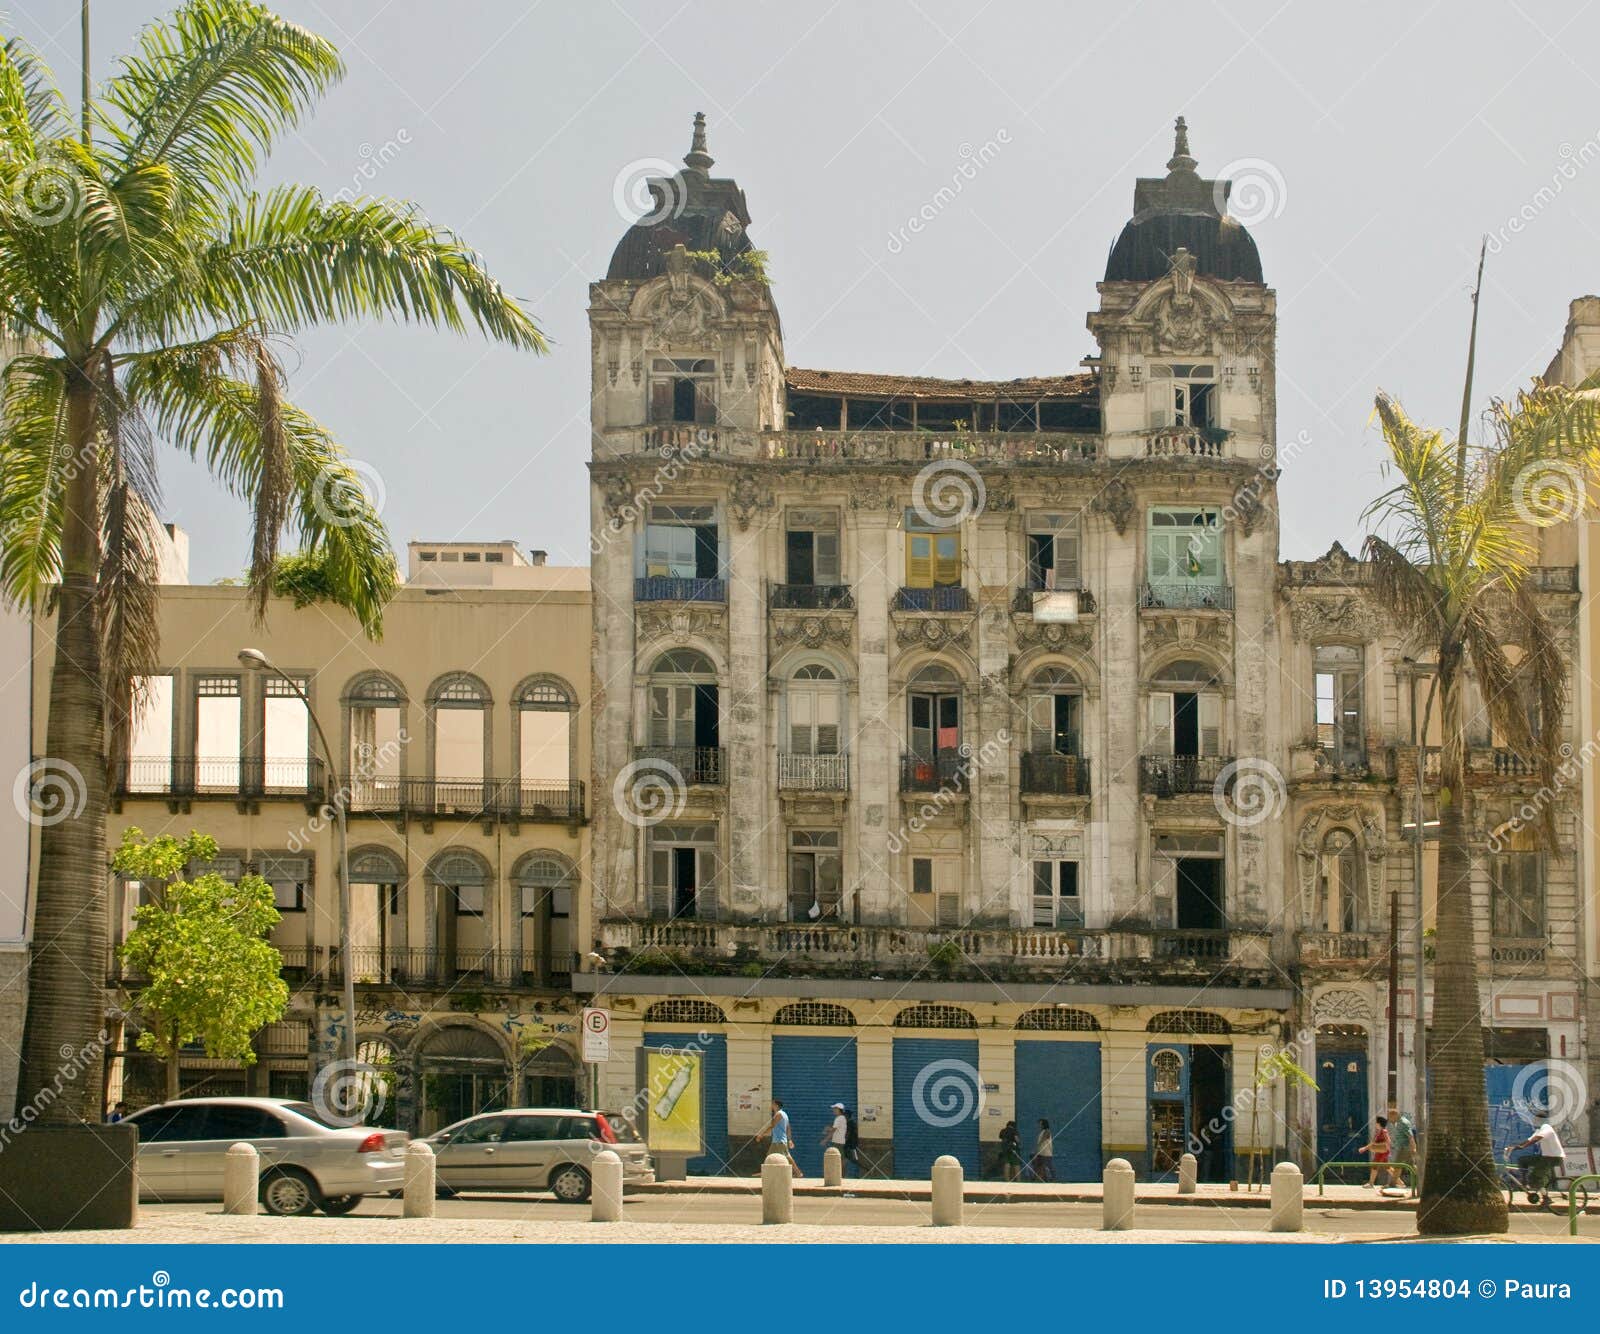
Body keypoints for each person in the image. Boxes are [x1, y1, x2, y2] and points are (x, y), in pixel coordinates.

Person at [1509, 1114, 1566, 1206]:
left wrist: (1523, 1147)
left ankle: (1546, 1198)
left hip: (1553, 1158)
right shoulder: (1539, 1130)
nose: (1534, 1121)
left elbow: (1537, 1139)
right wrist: (1514, 1148)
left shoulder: (1547, 1128)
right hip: (1545, 1157)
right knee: (1523, 1160)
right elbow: (1529, 1140)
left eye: (1536, 1120)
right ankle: (1524, 1182)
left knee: (1535, 1178)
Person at [760, 1097, 801, 1178]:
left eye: (772, 1104)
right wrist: (789, 1140)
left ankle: (798, 1172)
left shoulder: (779, 1114)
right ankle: (797, 1172)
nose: (771, 1105)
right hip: (779, 1140)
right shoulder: (784, 1114)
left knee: (775, 1156)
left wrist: (761, 1135)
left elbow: (772, 1126)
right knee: (778, 1156)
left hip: (778, 1141)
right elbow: (788, 1128)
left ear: (776, 1105)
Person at [1357, 1116, 1392, 1188]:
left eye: (1376, 1122)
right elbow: (1372, 1143)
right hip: (1381, 1151)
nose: (1375, 1124)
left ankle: (1371, 1183)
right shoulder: (1379, 1132)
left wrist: (1377, 1145)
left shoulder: (1384, 1131)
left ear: (1379, 1123)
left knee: (1374, 1166)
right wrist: (1364, 1148)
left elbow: (1388, 1141)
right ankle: (1401, 1183)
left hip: (1382, 1152)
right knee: (1388, 1167)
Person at [819, 1101, 848, 1173]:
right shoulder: (842, 1118)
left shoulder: (839, 1118)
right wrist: (828, 1129)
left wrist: (825, 1140)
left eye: (835, 1109)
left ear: (839, 1110)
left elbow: (833, 1131)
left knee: (838, 1159)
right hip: (840, 1141)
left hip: (838, 1142)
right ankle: (841, 1175)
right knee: (840, 1158)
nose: (833, 1110)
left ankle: (841, 1175)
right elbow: (835, 1129)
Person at [1031, 1118, 1054, 1182]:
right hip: (1040, 1152)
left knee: (1047, 1166)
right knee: (1038, 1166)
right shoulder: (1042, 1132)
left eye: (1040, 1124)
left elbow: (1043, 1139)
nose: (1039, 1125)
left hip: (1046, 1152)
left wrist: (1036, 1149)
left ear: (1044, 1124)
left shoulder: (1047, 1131)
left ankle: (1051, 1178)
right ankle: (1039, 1178)